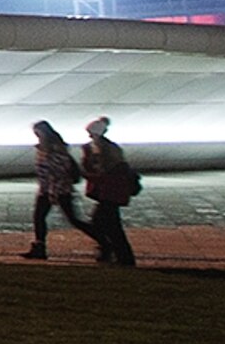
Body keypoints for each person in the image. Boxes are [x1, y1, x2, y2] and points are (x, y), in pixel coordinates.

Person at [24, 119, 89, 258]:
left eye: (38, 133)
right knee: (39, 217)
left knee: (72, 219)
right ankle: (39, 246)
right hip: (46, 189)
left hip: (59, 189)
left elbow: (58, 173)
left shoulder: (55, 150)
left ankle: (104, 240)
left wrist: (52, 192)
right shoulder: (43, 149)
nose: (36, 136)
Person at [81, 114, 139, 266]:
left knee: (105, 224)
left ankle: (119, 255)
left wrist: (87, 173)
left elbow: (104, 173)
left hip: (110, 192)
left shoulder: (103, 150)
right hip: (111, 192)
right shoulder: (107, 148)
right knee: (110, 225)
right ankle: (120, 255)